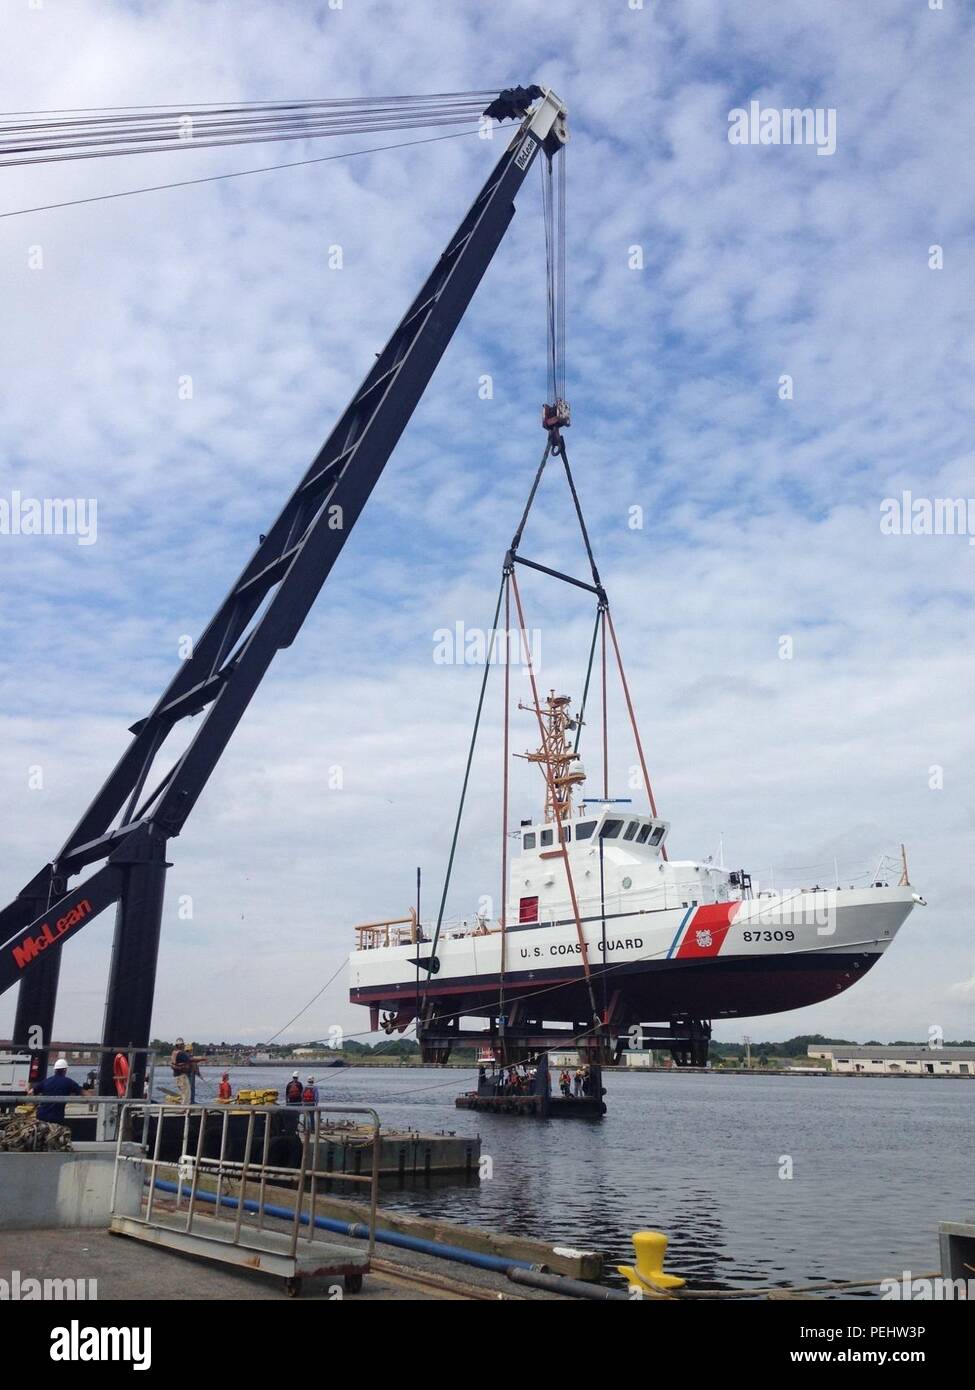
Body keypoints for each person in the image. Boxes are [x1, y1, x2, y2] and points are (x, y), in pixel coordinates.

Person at [31, 1058, 83, 1124]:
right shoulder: (68, 1082)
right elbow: (82, 1092)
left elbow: (31, 1092)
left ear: (55, 1070)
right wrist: (96, 1099)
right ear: (65, 1070)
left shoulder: (46, 1081)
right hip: (56, 1118)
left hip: (41, 1116)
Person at [170, 1038, 199, 1105]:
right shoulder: (182, 1054)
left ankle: (188, 1104)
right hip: (184, 1075)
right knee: (188, 1091)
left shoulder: (175, 1053)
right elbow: (192, 1063)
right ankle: (188, 1106)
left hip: (179, 1075)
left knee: (185, 1092)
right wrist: (202, 1059)